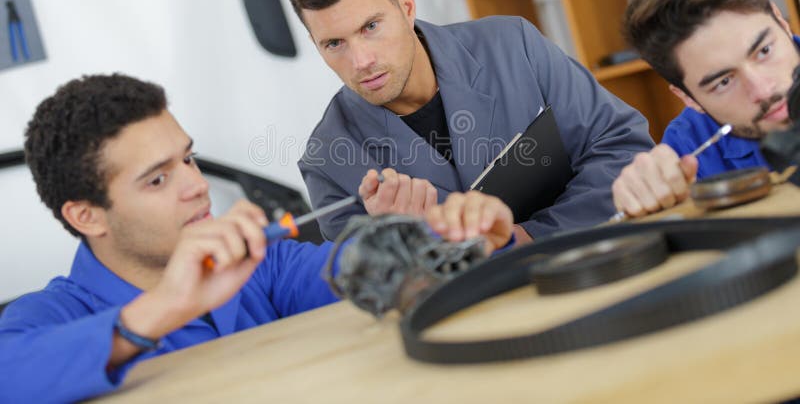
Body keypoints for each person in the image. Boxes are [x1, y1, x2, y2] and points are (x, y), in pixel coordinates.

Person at [0, 74, 514, 402]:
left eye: (188, 159)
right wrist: (166, 308)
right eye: (158, 179)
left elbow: (352, 266)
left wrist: (452, 238)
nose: (197, 187)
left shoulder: (259, 265)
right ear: (87, 216)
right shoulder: (45, 319)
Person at [289, 0, 654, 242]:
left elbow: (622, 147)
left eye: (370, 26)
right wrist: (400, 241)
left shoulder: (514, 46)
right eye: (334, 44)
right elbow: (368, 290)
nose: (361, 60)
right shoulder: (328, 162)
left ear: (406, 5)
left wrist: (529, 237)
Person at [611, 0, 800, 218]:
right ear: (689, 98)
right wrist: (645, 199)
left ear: (781, 22)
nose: (763, 90)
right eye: (724, 82)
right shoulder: (687, 152)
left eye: (764, 51)